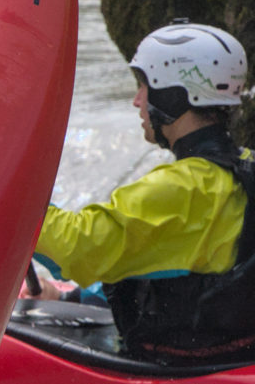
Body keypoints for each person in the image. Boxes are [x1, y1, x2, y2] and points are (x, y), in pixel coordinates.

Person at [28, 21, 255, 364]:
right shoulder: (246, 167)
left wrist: (8, 203)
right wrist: (76, 299)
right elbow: (174, 266)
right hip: (232, 352)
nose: (137, 101)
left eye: (145, 87)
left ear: (172, 94)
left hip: (183, 368)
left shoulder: (182, 188)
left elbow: (74, 248)